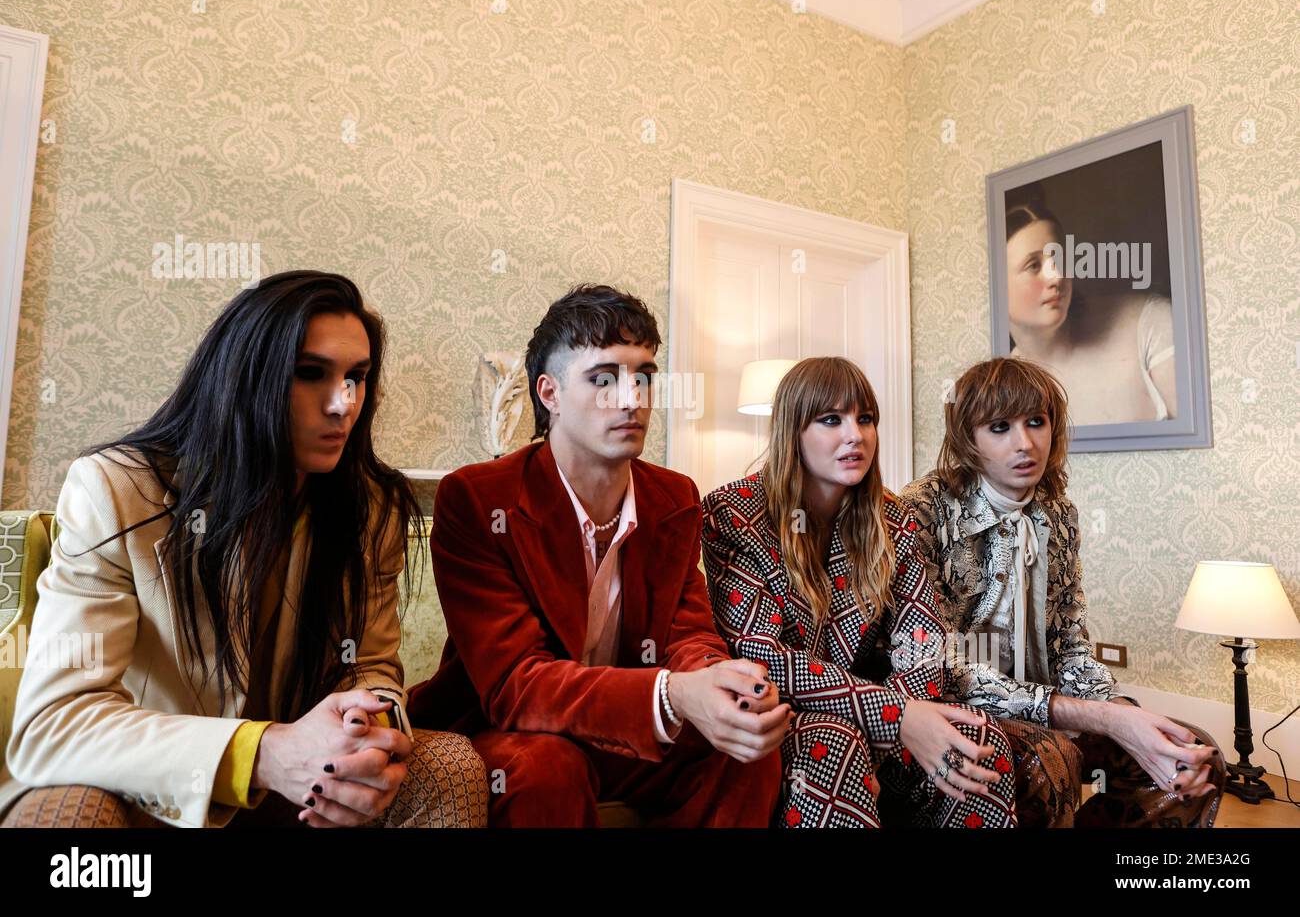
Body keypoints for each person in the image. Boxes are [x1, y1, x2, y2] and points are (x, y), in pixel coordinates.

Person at [0, 270, 486, 828]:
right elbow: (55, 723)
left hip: (306, 797)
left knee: (451, 766)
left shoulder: (371, 508)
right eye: (310, 374)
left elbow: (372, 668)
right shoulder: (116, 491)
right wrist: (262, 753)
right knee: (63, 818)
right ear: (243, 376)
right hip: (149, 793)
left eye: (357, 376)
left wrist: (367, 736)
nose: (342, 404)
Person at [406, 284, 785, 827]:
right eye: (603, 378)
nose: (631, 398)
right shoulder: (478, 498)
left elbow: (689, 633)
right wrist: (673, 693)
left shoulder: (673, 496)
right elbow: (516, 682)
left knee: (747, 752)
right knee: (546, 768)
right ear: (550, 394)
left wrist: (718, 684)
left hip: (625, 727)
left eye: (644, 376)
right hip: (511, 730)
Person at [899, 356, 1224, 827]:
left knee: (1194, 751)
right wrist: (1100, 719)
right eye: (999, 427)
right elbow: (942, 664)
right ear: (967, 438)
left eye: (1036, 421)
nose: (1025, 442)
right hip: (957, 709)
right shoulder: (923, 511)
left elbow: (1069, 644)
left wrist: (1121, 712)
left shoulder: (1058, 514)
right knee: (1048, 760)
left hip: (1048, 702)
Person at [702, 356, 1017, 828]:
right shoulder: (733, 513)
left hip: (874, 719)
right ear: (793, 430)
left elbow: (922, 647)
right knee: (835, 742)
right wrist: (896, 715)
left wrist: (905, 719)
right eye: (832, 419)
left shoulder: (894, 519)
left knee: (975, 735)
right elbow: (762, 663)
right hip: (780, 719)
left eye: (864, 418)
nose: (856, 435)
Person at [1005, 201, 1177, 425]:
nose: (1056, 276)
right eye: (1033, 266)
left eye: (1059, 258)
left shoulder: (1151, 322)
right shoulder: (1004, 388)